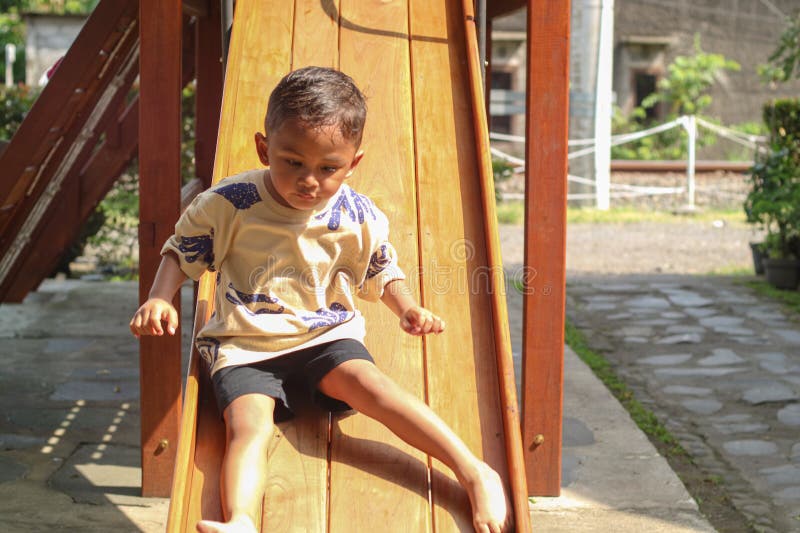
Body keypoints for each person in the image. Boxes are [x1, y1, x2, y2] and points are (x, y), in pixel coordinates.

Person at [129, 66, 510, 533]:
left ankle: (474, 471)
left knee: (376, 389)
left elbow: (381, 266)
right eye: (292, 162)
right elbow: (181, 248)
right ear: (264, 149)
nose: (310, 181)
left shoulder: (355, 213)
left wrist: (408, 307)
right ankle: (242, 520)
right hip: (246, 345)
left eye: (328, 168)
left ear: (353, 163)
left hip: (325, 335)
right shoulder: (228, 203)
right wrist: (159, 297)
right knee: (249, 426)